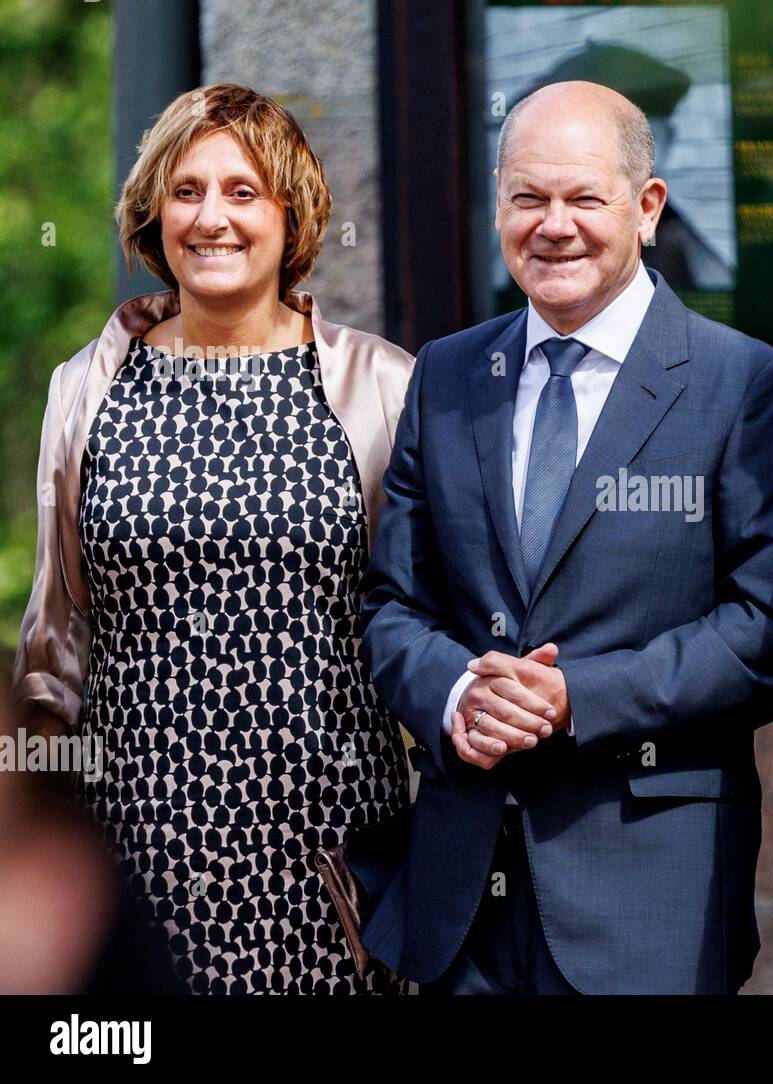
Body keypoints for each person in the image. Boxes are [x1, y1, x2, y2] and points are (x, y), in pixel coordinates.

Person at [358, 79, 773, 994]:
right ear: (499, 205)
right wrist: (458, 698)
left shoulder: (742, 384)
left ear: (647, 208)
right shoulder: (449, 375)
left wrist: (573, 698)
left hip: (650, 901)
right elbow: (392, 606)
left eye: (583, 198)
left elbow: (765, 631)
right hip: (462, 901)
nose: (553, 225)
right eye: (528, 198)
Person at [12, 83, 414, 993]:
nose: (212, 217)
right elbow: (54, 642)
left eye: (243, 191)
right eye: (187, 189)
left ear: (291, 213)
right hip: (137, 843)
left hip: (328, 858)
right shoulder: (87, 387)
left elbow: (422, 621)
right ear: (155, 212)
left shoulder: (382, 385)